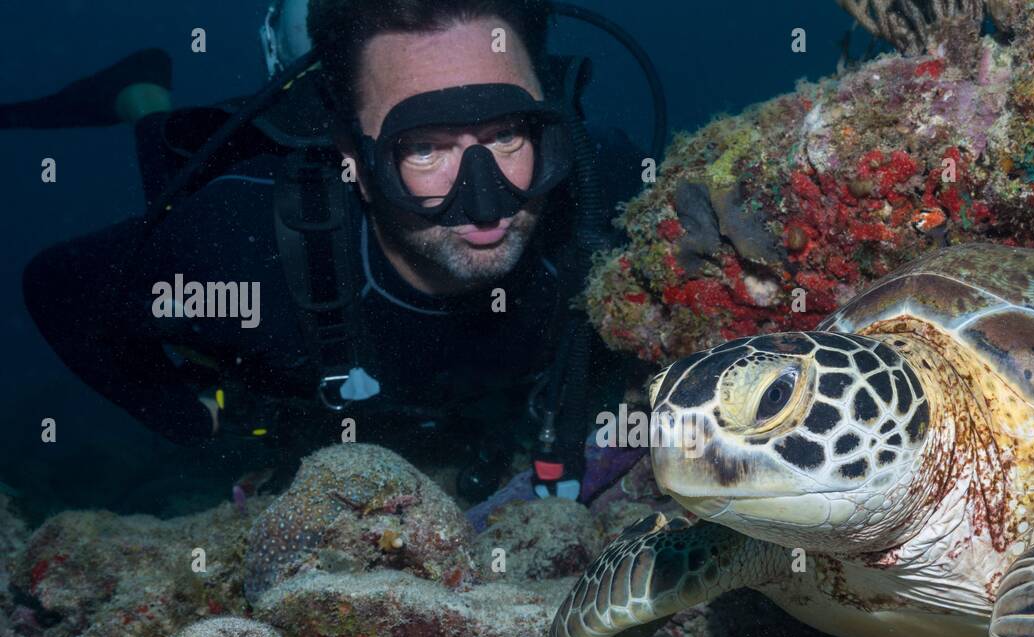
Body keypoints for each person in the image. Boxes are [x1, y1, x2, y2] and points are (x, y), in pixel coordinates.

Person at [18, 0, 660, 504]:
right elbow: (58, 288)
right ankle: (141, 96)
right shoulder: (241, 249)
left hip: (475, 404)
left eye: (508, 134)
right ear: (353, 157)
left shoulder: (610, 192)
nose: (487, 202)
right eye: (424, 148)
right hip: (308, 390)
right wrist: (196, 422)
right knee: (183, 164)